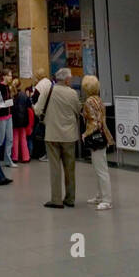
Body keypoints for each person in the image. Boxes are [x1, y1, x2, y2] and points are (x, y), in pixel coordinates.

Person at [38, 69, 82, 208]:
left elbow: (38, 109)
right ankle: (70, 198)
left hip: (52, 134)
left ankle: (56, 199)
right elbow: (78, 110)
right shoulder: (73, 93)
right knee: (70, 168)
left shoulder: (48, 91)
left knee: (54, 168)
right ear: (67, 80)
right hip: (69, 136)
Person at [81, 75, 111, 210]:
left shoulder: (88, 102)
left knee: (101, 170)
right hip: (104, 136)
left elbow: (94, 121)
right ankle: (100, 195)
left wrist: (85, 134)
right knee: (100, 168)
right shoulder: (99, 100)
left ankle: (106, 199)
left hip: (95, 137)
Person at [0, 68, 15, 168]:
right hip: (1, 117)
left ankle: (8, 160)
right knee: (0, 139)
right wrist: (10, 102)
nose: (11, 77)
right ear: (4, 76)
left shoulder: (7, 87)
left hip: (9, 116)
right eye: (9, 75)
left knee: (10, 139)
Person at [11, 79, 33, 163]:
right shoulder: (24, 95)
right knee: (23, 138)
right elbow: (29, 106)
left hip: (14, 120)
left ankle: (15, 157)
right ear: (20, 85)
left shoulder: (12, 95)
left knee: (15, 138)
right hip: (23, 119)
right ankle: (25, 157)